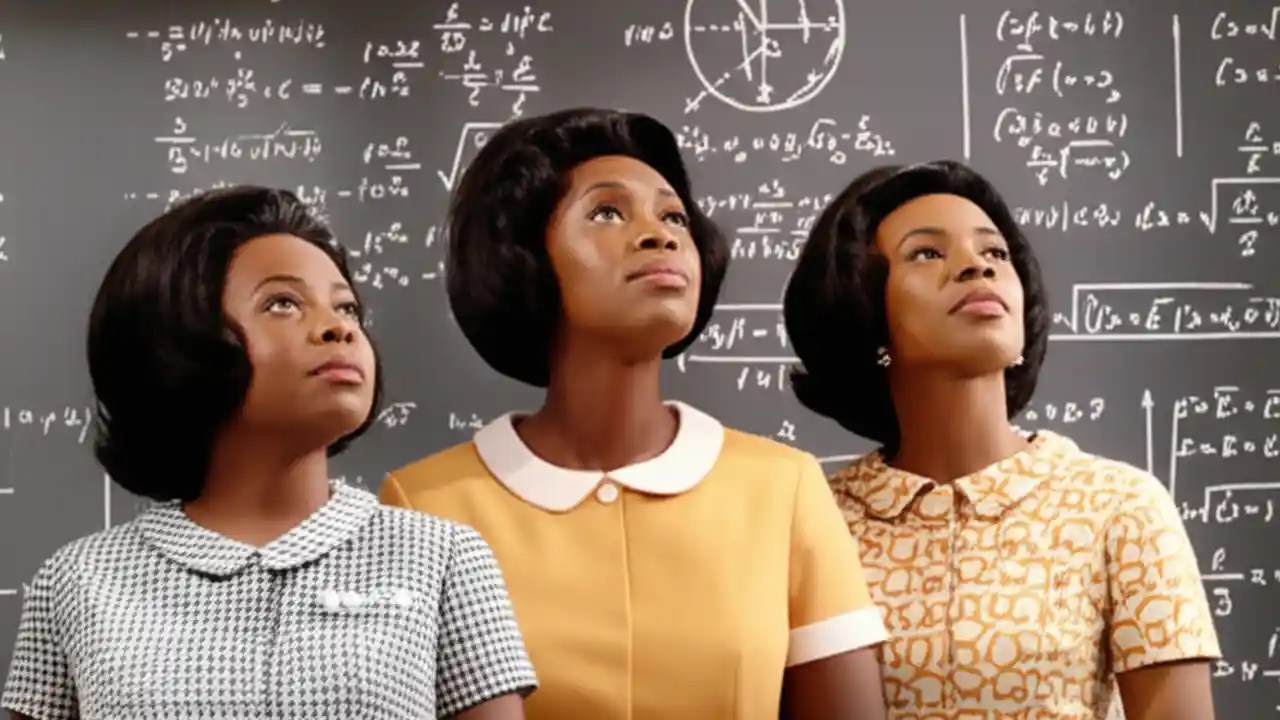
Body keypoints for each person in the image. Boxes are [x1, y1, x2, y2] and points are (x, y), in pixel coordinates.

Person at [379, 107, 889, 719]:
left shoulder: (784, 487)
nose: (660, 235)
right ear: (526, 256)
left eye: (674, 217)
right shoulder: (425, 505)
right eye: (607, 213)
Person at [2, 186, 536, 720]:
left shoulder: (443, 559)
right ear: (181, 340)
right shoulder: (79, 580)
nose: (339, 328)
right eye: (283, 303)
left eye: (347, 307)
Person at [782, 159, 1222, 719]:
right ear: (864, 304)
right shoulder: (819, 520)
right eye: (927, 253)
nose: (976, 266)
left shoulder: (1119, 506)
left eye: (996, 252)